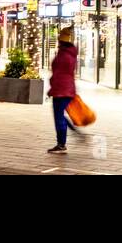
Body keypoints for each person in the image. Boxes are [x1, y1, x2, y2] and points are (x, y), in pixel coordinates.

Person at [47, 26, 79, 154]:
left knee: (58, 116)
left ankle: (61, 143)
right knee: (60, 115)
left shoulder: (63, 55)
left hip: (61, 90)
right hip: (67, 89)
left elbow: (59, 74)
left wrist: (52, 87)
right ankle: (67, 134)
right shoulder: (70, 53)